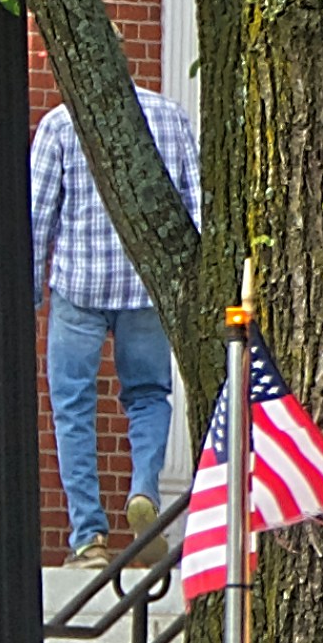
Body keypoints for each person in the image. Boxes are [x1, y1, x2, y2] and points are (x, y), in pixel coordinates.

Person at [31, 82, 205, 559]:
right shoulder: (170, 118)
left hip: (78, 289)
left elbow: (38, 213)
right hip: (145, 287)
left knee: (73, 408)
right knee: (149, 395)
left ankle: (89, 537)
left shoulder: (62, 123)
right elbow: (197, 202)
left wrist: (31, 291)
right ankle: (145, 490)